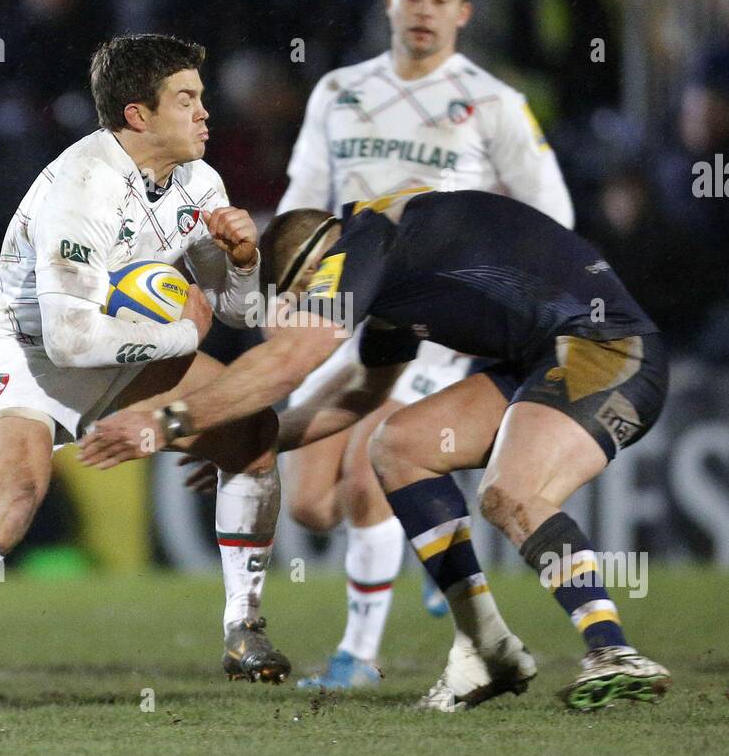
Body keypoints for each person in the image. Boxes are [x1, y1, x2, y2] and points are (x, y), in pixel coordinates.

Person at [80, 187, 672, 713]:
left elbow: (291, 363)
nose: (302, 314)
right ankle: (486, 647)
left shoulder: (363, 243)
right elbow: (361, 396)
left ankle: (612, 650)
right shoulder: (394, 269)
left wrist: (168, 419)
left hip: (605, 347)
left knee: (510, 493)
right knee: (398, 446)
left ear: (318, 266)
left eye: (304, 297)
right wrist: (255, 439)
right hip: (541, 357)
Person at [0, 34, 287, 724]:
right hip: (28, 361)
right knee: (16, 493)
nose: (206, 114)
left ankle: (244, 626)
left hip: (125, 354)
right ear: (138, 114)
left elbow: (237, 310)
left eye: (202, 98)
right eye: (187, 100)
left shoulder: (200, 182)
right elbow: (69, 338)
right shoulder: (80, 186)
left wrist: (240, 260)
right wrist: (184, 332)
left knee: (252, 431)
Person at [275, 0, 572, 690]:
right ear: (390, 3)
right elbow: (304, 196)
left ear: (463, 13)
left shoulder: (492, 101)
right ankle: (420, 535)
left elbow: (552, 213)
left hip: (433, 317)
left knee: (371, 472)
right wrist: (285, 283)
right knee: (312, 505)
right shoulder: (339, 91)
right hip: (340, 307)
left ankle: (358, 658)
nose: (425, 9)